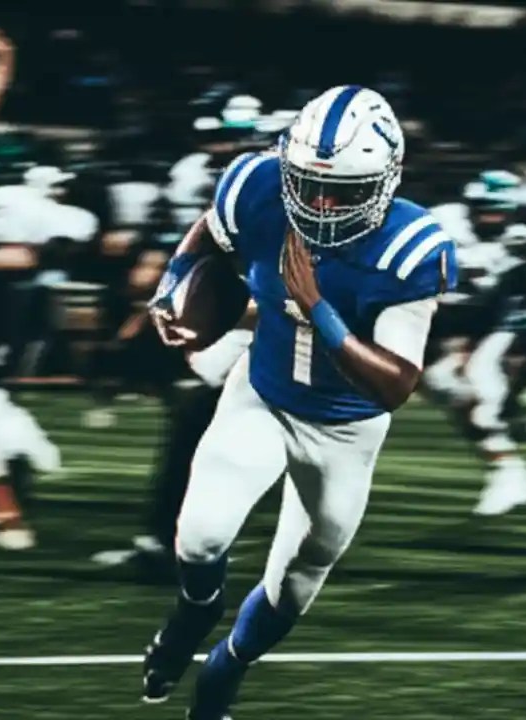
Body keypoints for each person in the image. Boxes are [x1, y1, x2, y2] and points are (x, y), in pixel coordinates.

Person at [142, 85, 456, 720]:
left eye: (340, 189)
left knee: (298, 580)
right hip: (263, 396)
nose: (318, 202)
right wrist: (172, 285)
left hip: (347, 432)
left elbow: (396, 384)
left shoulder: (411, 248)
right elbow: (209, 230)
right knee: (199, 538)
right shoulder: (256, 186)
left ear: (385, 181)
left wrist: (317, 306)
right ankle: (191, 616)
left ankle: (223, 673)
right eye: (307, 183)